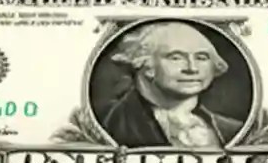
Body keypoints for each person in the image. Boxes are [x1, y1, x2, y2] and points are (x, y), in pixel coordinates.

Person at [97, 21, 244, 148]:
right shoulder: (108, 124)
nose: (192, 68)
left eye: (201, 57)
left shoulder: (232, 129)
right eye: (176, 58)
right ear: (144, 62)